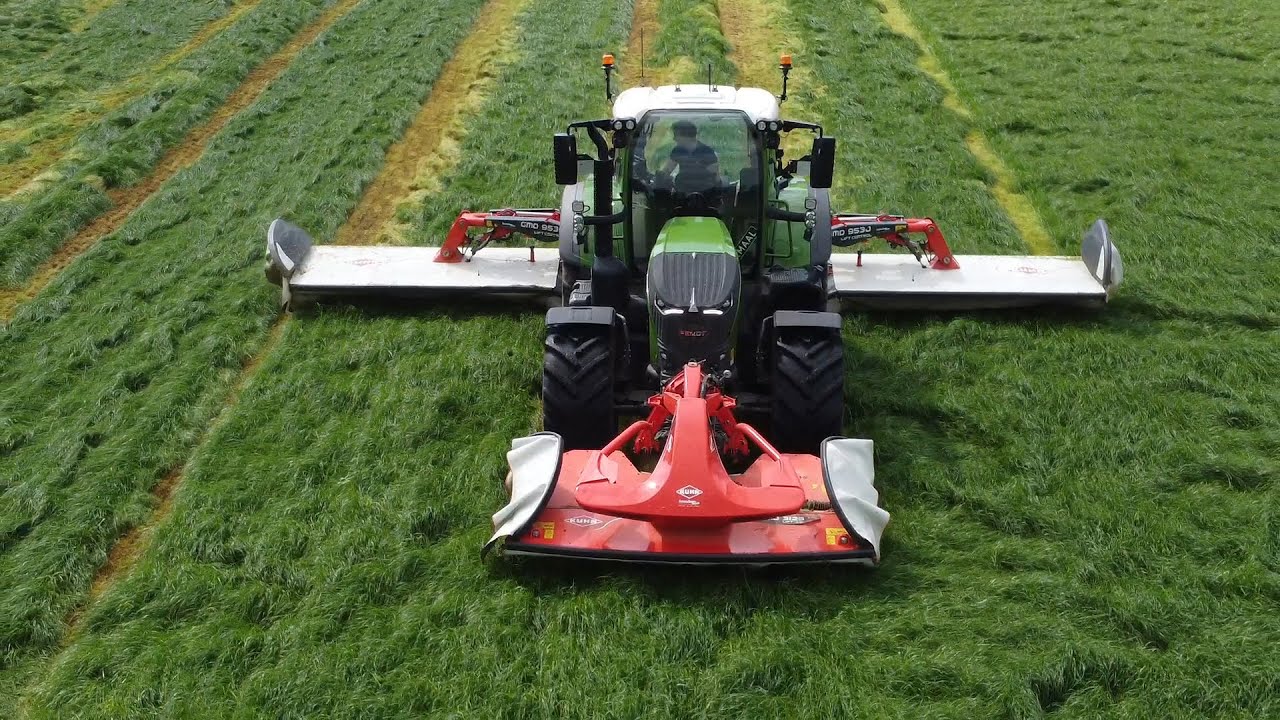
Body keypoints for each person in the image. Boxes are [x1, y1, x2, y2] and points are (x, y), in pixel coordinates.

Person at [659, 120, 719, 189]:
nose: (674, 139)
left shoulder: (707, 152)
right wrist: (660, 178)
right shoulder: (678, 150)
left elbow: (715, 179)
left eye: (676, 135)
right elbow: (666, 171)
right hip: (682, 191)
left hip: (703, 192)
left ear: (686, 136)